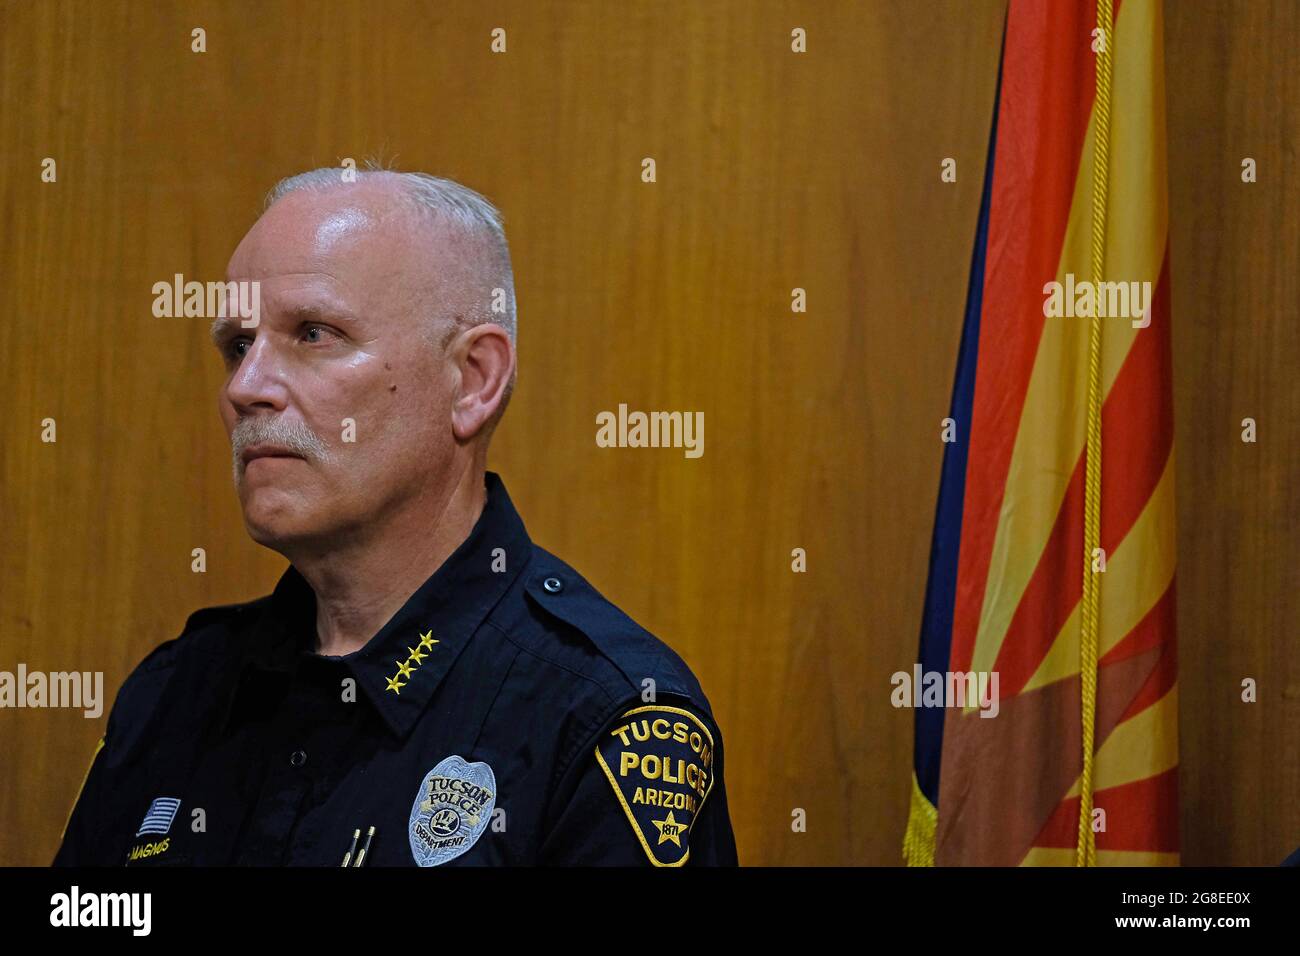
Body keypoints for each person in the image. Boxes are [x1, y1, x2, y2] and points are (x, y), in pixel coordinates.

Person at [53, 168, 737, 866]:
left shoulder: (597, 718)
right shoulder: (176, 693)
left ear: (473, 380)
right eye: (237, 345)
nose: (244, 388)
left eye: (313, 334)